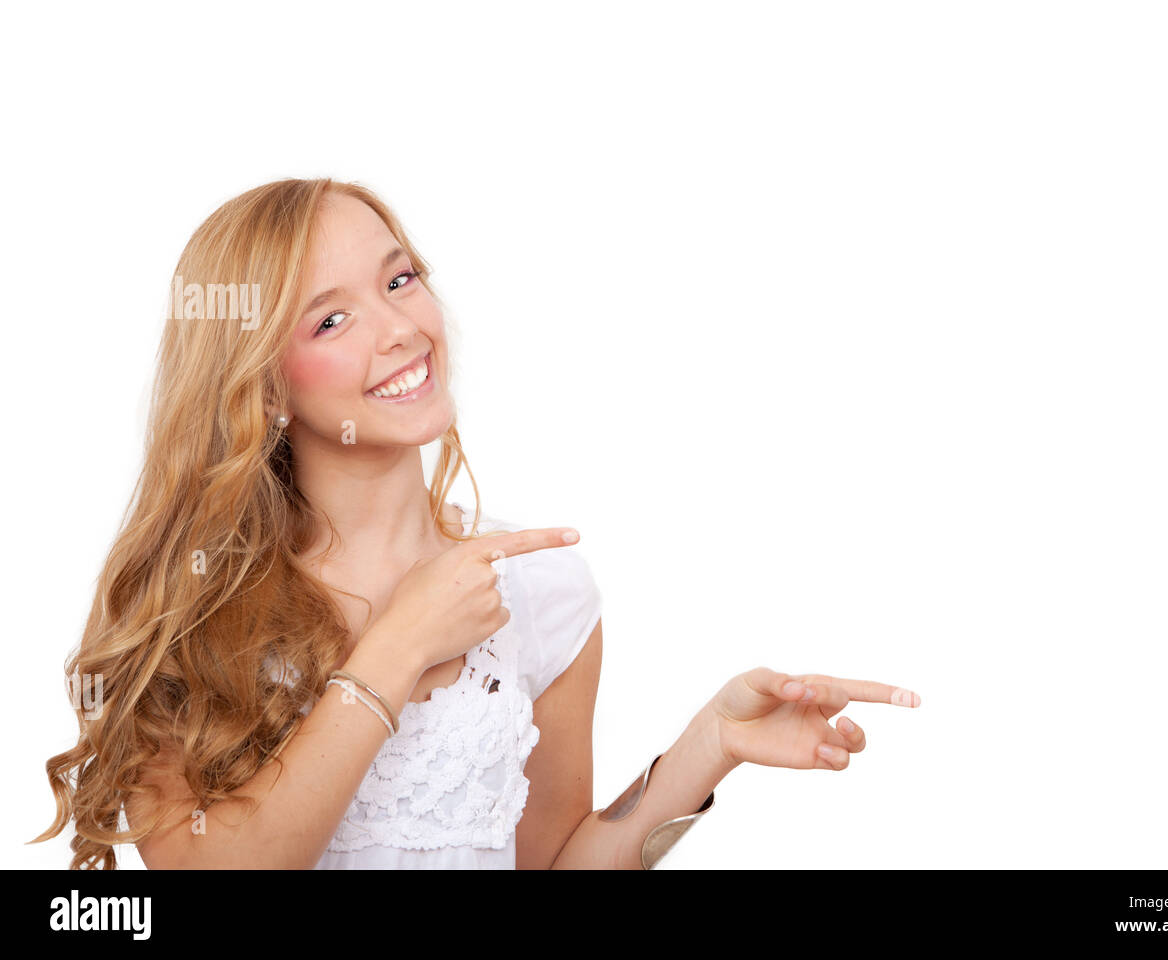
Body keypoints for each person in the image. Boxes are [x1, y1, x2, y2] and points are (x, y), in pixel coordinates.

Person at [32, 178, 922, 870]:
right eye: (333, 317)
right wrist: (399, 643)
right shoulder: (180, 607)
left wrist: (706, 750)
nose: (400, 328)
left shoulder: (541, 589)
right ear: (262, 384)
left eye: (401, 279)